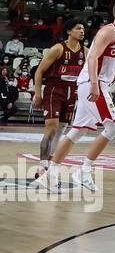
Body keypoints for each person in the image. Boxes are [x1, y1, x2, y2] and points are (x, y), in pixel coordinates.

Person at [41, 1, 115, 193]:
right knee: (113, 127)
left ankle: (49, 175)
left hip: (100, 84)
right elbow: (92, 57)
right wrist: (94, 84)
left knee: (77, 131)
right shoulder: (108, 31)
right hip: (94, 83)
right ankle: (83, 171)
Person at [28, 19, 85, 182]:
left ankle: (50, 168)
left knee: (60, 132)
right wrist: (37, 94)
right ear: (69, 31)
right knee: (51, 128)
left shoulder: (86, 52)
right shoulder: (58, 48)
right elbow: (39, 72)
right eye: (78, 28)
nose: (82, 31)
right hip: (54, 90)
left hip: (73, 92)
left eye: (83, 29)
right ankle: (41, 166)